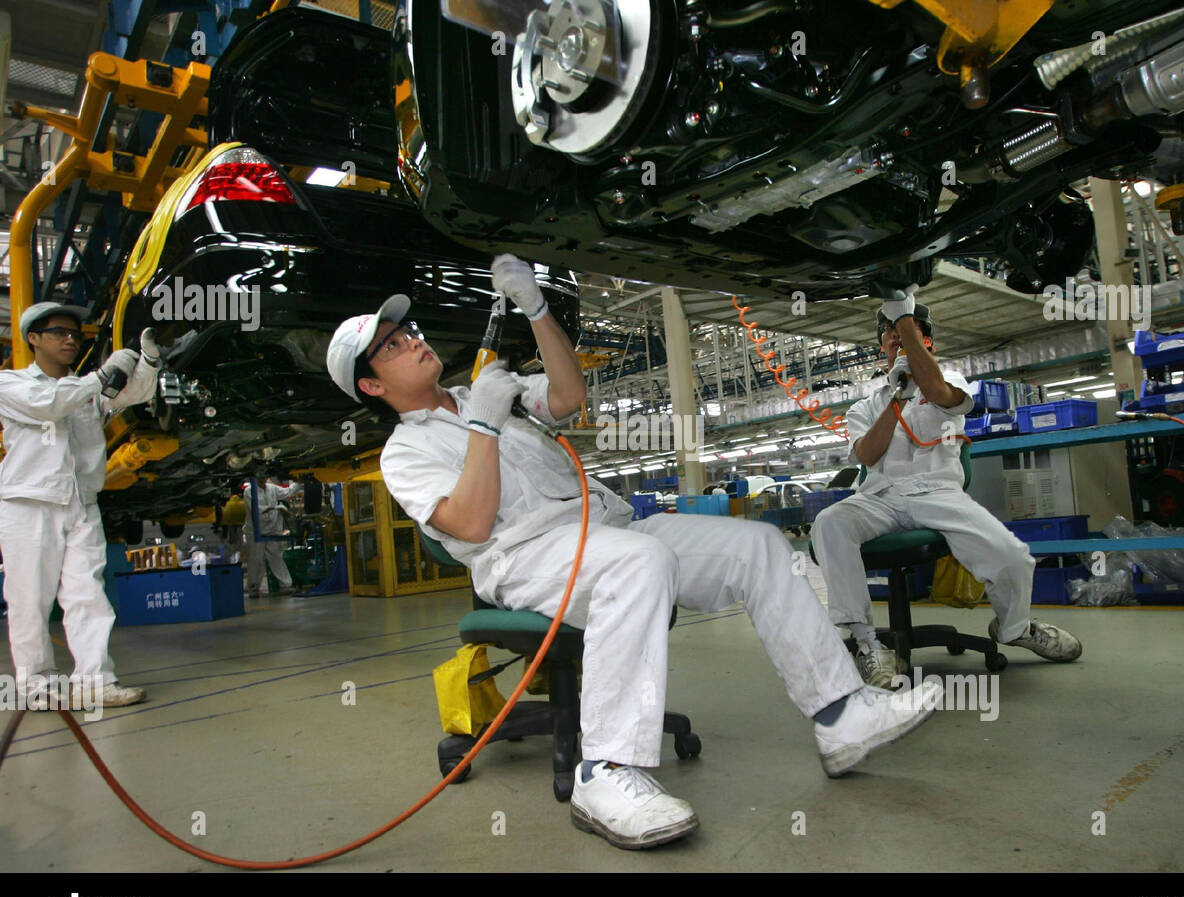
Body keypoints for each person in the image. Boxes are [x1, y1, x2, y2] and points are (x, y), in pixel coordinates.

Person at [325, 255, 942, 850]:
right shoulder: (403, 454)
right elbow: (471, 522)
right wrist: (485, 425)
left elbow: (568, 398)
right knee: (638, 564)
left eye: (406, 330)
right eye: (389, 346)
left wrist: (537, 308)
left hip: (606, 525)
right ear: (373, 385)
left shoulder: (486, 391)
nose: (410, 340)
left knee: (760, 545)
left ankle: (840, 714)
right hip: (527, 555)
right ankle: (604, 773)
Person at [811, 287, 1082, 689]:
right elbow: (867, 455)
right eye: (890, 336)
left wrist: (904, 320)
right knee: (829, 522)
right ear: (882, 350)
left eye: (907, 335)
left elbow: (939, 393)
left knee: (1012, 555)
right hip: (880, 498)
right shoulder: (864, 406)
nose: (897, 340)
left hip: (939, 495)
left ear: (927, 342)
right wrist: (898, 398)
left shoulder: (949, 379)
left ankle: (1015, 628)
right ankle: (869, 644)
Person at [0, 302, 160, 708]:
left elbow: (132, 393)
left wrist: (149, 363)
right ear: (32, 338)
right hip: (28, 503)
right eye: (58, 332)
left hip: (80, 504)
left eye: (75, 334)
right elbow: (48, 404)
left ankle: (95, 681)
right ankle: (37, 687)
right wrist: (103, 376)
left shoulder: (87, 391)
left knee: (88, 594)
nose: (71, 339)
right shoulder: (12, 385)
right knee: (29, 599)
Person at [241, 477, 300, 596]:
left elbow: (287, 492)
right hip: (254, 531)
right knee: (256, 560)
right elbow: (256, 509)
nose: (262, 479)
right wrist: (277, 508)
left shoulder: (272, 489)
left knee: (276, 556)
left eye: (264, 476)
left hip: (272, 529)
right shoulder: (249, 491)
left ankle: (286, 585)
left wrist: (298, 481)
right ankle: (253, 587)